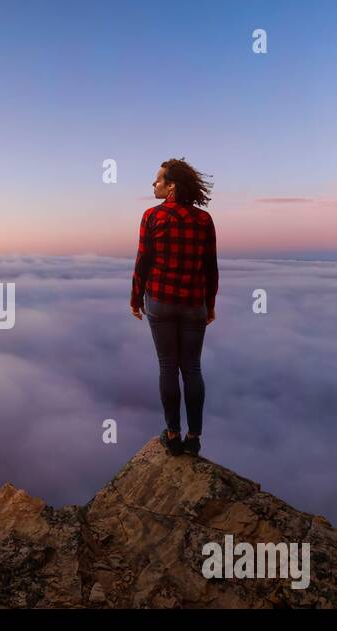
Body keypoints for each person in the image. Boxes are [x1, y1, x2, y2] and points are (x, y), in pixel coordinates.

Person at [129, 158, 218, 457]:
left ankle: (172, 434)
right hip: (194, 303)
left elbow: (143, 261)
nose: (153, 184)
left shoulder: (152, 217)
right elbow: (210, 269)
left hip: (161, 302)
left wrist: (135, 298)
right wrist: (210, 305)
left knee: (168, 366)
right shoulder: (204, 221)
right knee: (192, 368)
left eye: (157, 180)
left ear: (171, 186)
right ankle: (194, 438)